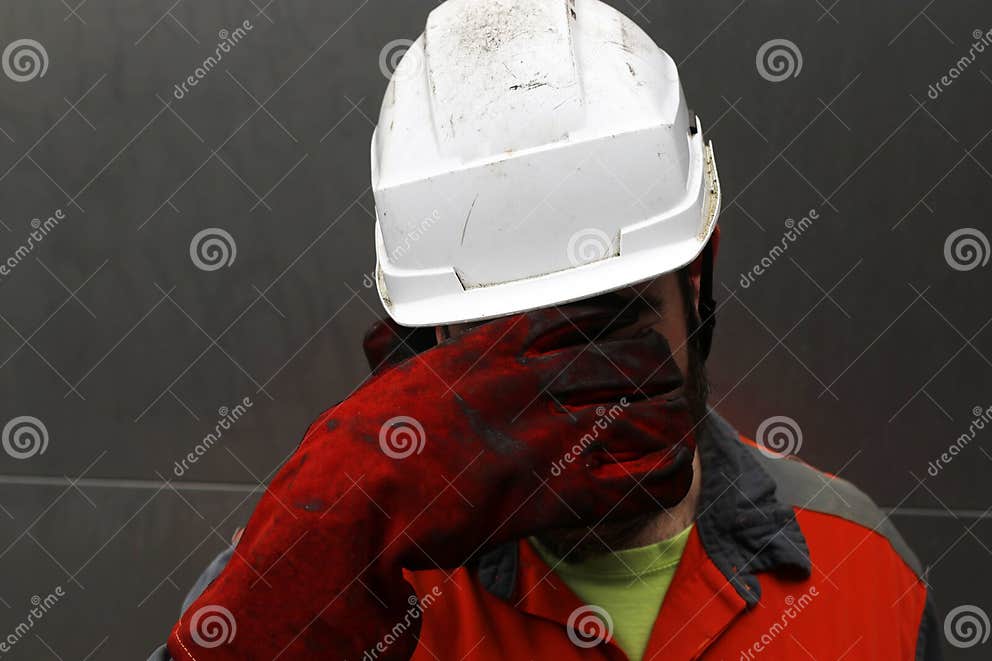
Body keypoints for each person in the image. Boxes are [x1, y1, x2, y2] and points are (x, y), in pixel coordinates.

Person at [152, 0, 941, 659]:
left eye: (611, 324)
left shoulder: (863, 567)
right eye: (504, 345)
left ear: (696, 280)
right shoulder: (351, 578)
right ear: (428, 346)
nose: (569, 393)